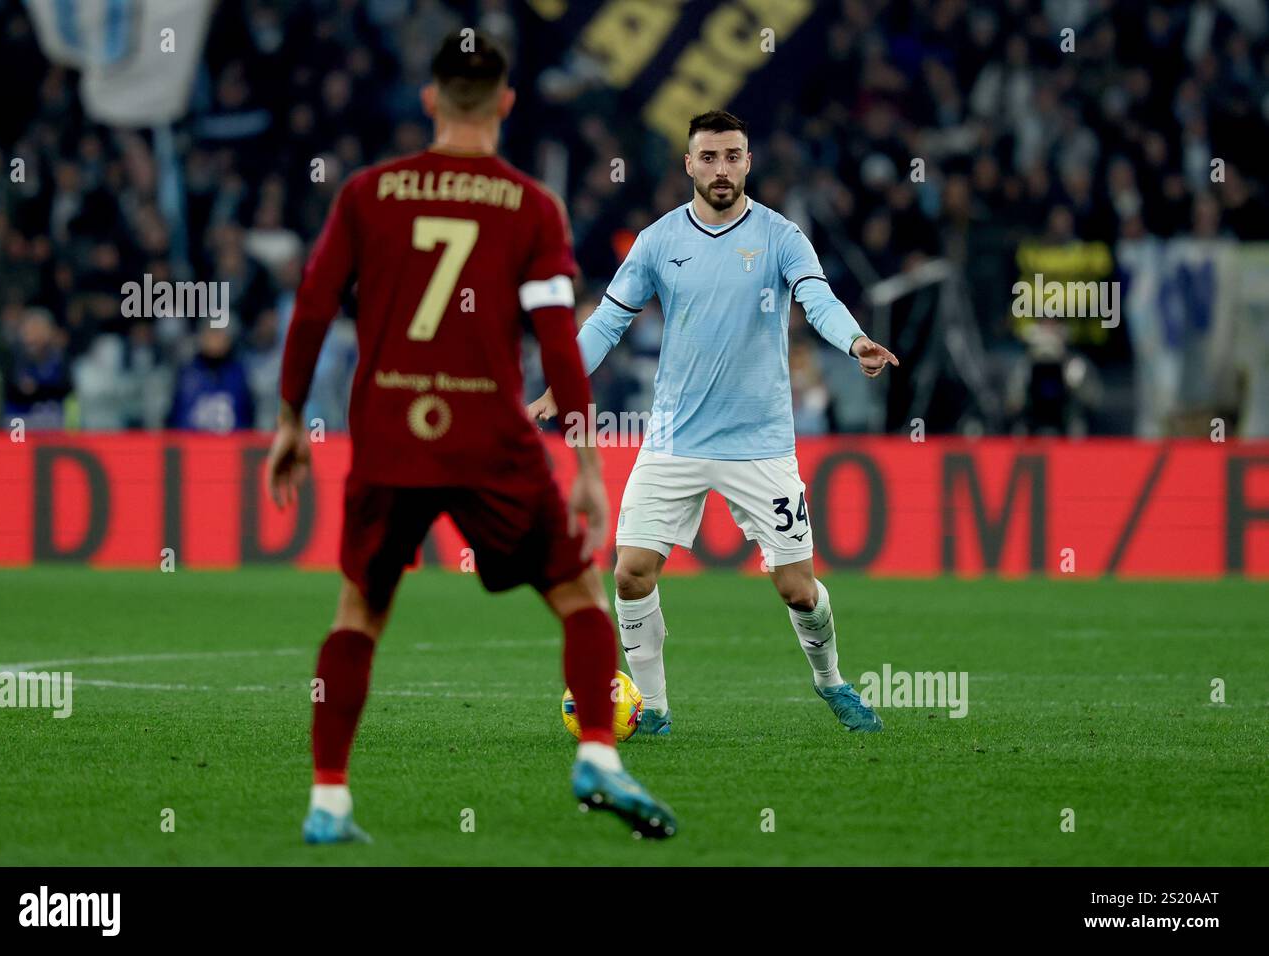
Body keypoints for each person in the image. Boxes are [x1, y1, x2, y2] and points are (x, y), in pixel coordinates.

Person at [266, 31, 676, 843]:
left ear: (430, 101)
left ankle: (328, 801)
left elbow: (312, 307)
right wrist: (587, 458)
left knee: (359, 610)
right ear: (506, 105)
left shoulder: (368, 192)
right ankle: (598, 753)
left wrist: (287, 421)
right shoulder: (529, 205)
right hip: (489, 433)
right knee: (575, 595)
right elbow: (560, 340)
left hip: (389, 429)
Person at [529, 111, 897, 736]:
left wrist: (854, 340)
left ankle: (832, 681)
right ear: (689, 165)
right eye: (710, 157)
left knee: (797, 588)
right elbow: (607, 322)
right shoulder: (657, 241)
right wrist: (556, 389)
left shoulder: (782, 237)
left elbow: (817, 297)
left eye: (733, 156)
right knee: (629, 570)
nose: (722, 169)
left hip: (760, 444)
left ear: (748, 162)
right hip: (673, 439)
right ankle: (655, 710)